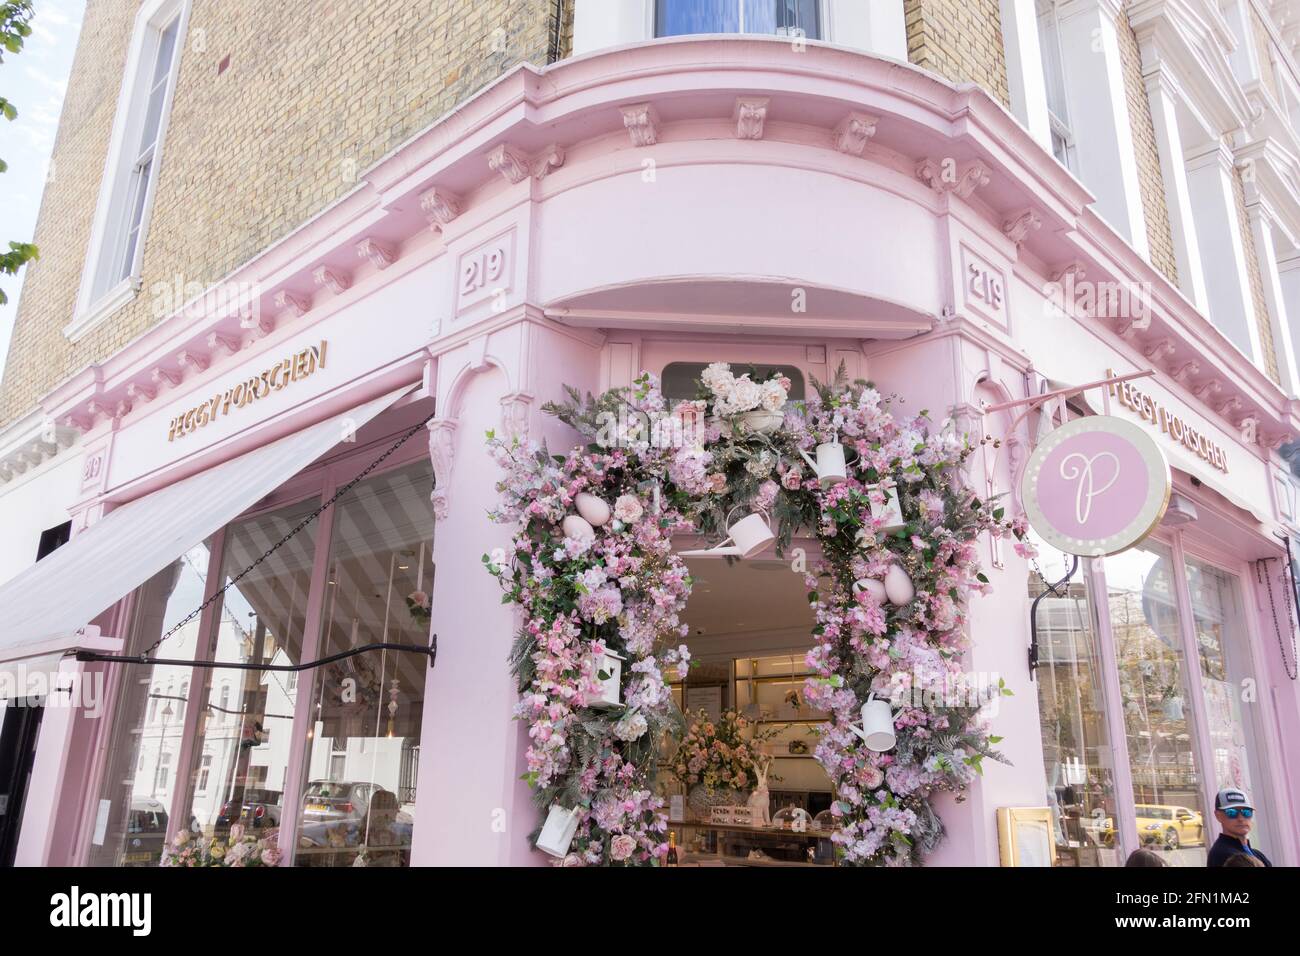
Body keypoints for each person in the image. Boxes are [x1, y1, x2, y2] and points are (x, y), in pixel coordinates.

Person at [1206, 788, 1273, 867]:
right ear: (1218, 815)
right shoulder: (1224, 855)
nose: (1241, 818)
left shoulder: (1257, 855)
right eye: (1232, 812)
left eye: (1246, 812)